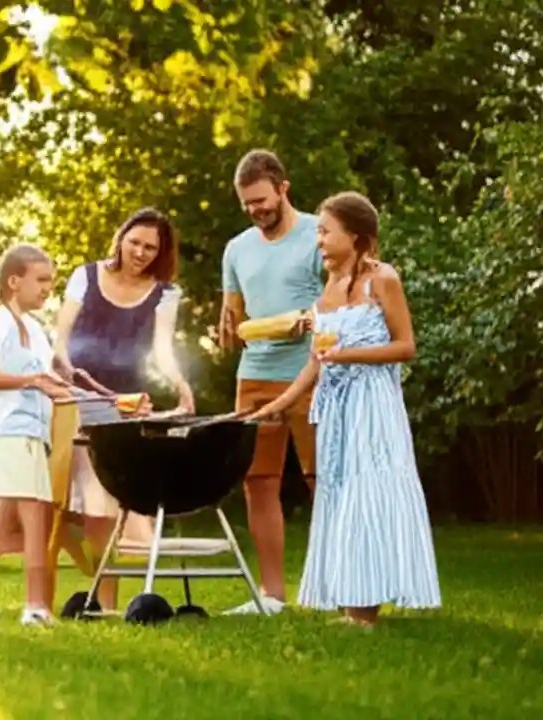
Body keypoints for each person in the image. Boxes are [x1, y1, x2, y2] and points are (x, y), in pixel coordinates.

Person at [247, 191, 441, 626]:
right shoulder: (326, 294)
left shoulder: (383, 280)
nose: (318, 240)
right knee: (338, 497)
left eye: (324, 231)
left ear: (353, 236)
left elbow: (406, 347)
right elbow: (314, 363)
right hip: (336, 414)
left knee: (366, 496)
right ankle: (352, 601)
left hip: (373, 408)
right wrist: (276, 405)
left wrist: (348, 356)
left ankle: (364, 612)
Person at [52, 207, 194, 612]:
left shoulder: (165, 293)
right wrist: (62, 366)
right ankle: (94, 596)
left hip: (126, 404)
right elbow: (61, 335)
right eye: (135, 242)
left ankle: (109, 600)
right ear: (121, 238)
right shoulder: (86, 275)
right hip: (76, 398)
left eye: (151, 247)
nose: (141, 252)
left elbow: (163, 350)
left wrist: (180, 384)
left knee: (107, 506)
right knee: (75, 508)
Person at [217, 149, 323, 615]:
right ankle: (272, 595)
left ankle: (333, 588)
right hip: (255, 375)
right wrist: (224, 329)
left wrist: (312, 318)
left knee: (324, 479)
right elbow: (234, 314)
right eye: (247, 205)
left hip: (311, 372)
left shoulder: (318, 234)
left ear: (283, 187)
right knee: (258, 483)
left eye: (261, 200)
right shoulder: (237, 249)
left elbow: (346, 300)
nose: (256, 210)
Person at [0, 244, 72, 626]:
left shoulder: (35, 329)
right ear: (15, 282)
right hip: (6, 431)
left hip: (32, 434)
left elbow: (53, 383)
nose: (48, 288)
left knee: (20, 513)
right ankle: (28, 606)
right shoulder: (0, 321)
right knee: (26, 513)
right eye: (41, 280)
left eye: (51, 281)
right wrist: (31, 380)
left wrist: (112, 399)